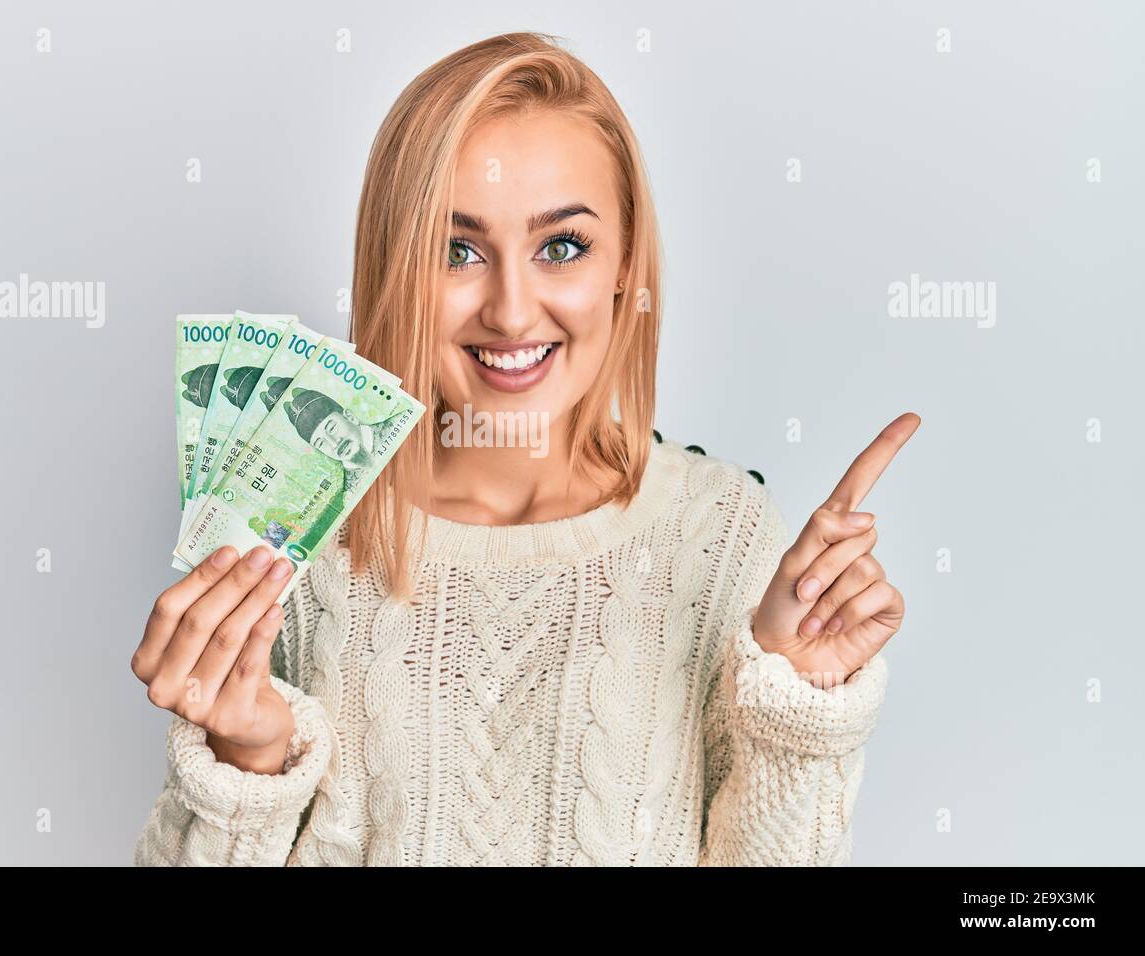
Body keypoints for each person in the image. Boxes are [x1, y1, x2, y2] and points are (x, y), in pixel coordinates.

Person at [130, 31, 917, 866]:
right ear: (396, 265)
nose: (510, 312)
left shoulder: (720, 535)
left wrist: (798, 707)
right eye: (457, 250)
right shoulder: (296, 539)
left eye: (561, 247)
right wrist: (246, 765)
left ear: (623, 265)